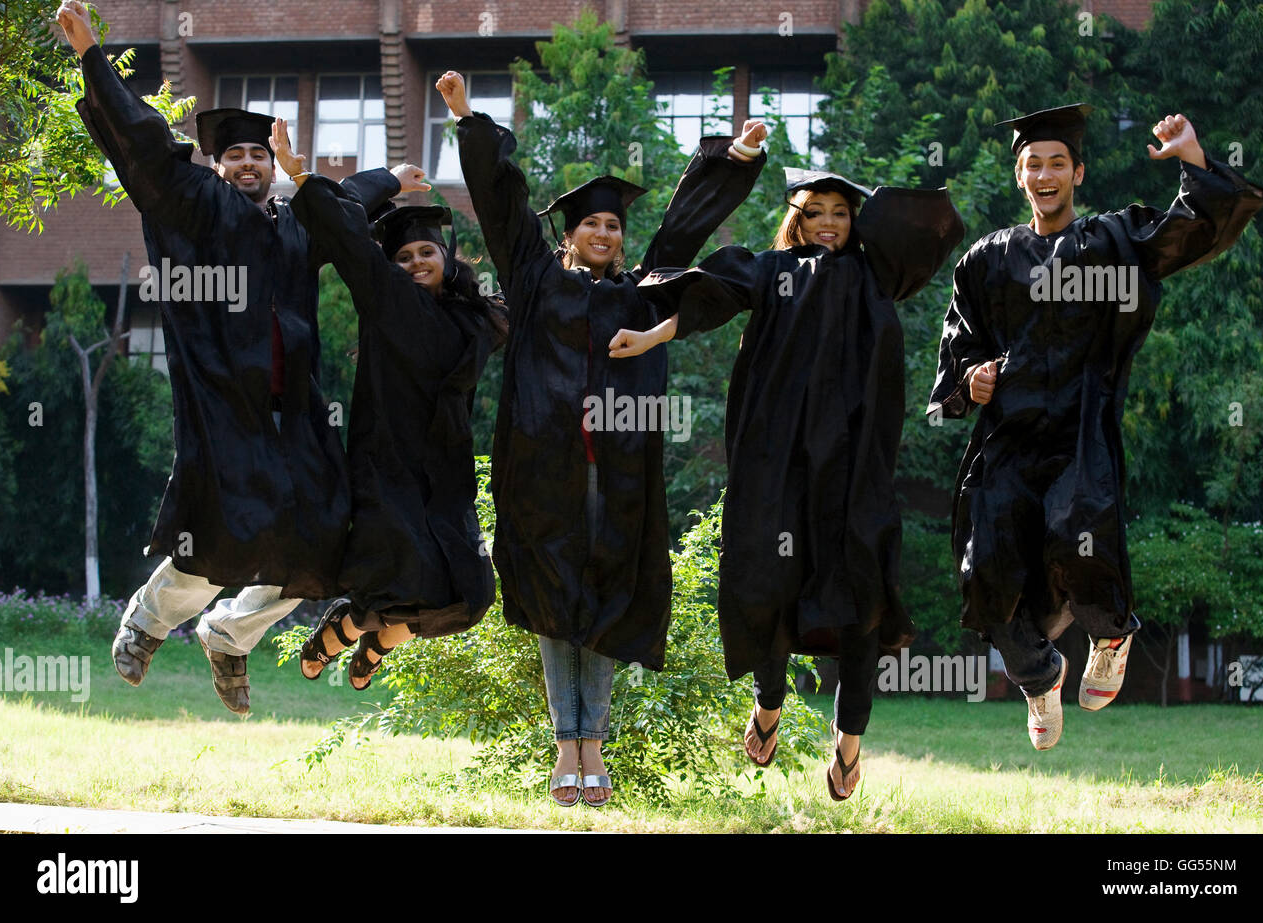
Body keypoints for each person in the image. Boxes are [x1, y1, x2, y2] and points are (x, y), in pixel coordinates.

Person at [55, 1, 420, 713]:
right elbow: (142, 144)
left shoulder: (294, 225)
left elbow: (340, 200)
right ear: (218, 165)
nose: (249, 164)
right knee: (218, 539)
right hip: (226, 405)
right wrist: (92, 55)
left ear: (270, 166)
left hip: (297, 416)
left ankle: (227, 634)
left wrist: (391, 178)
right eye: (236, 156)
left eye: (259, 155)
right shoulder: (196, 206)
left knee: (317, 544)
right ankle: (147, 620)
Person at [437, 70, 767, 807]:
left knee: (610, 596)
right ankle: (568, 747)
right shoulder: (535, 280)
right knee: (557, 600)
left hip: (618, 474)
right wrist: (467, 119)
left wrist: (733, 161)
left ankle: (597, 745)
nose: (604, 233)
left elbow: (688, 234)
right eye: (592, 223)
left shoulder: (640, 292)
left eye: (614, 226)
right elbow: (503, 205)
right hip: (545, 470)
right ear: (570, 234)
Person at [611, 168, 963, 800]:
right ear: (795, 219)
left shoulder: (873, 274)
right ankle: (769, 701)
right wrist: (648, 337)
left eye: (840, 211)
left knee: (860, 595)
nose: (827, 223)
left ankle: (849, 743)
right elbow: (709, 296)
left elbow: (922, 226)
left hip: (853, 473)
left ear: (857, 221)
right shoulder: (771, 271)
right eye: (814, 212)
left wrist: (868, 207)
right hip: (780, 470)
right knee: (771, 584)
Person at [927, 104, 1263, 750]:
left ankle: (1111, 635)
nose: (1046, 173)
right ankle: (1038, 675)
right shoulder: (987, 259)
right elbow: (959, 343)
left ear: (1078, 172)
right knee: (983, 559)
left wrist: (1193, 158)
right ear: (1019, 175)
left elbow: (1188, 231)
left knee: (1077, 528)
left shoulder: (1111, 241)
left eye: (1058, 162)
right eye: (1034, 163)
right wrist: (972, 378)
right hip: (1010, 437)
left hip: (1081, 427)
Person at [267, 119, 507, 690]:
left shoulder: (477, 318)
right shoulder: (386, 298)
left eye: (427, 251)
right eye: (404, 256)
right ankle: (346, 633)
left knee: (470, 593)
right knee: (399, 581)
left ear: (447, 259)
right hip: (387, 466)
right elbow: (350, 240)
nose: (417, 262)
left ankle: (365, 635)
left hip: (445, 473)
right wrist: (300, 173)